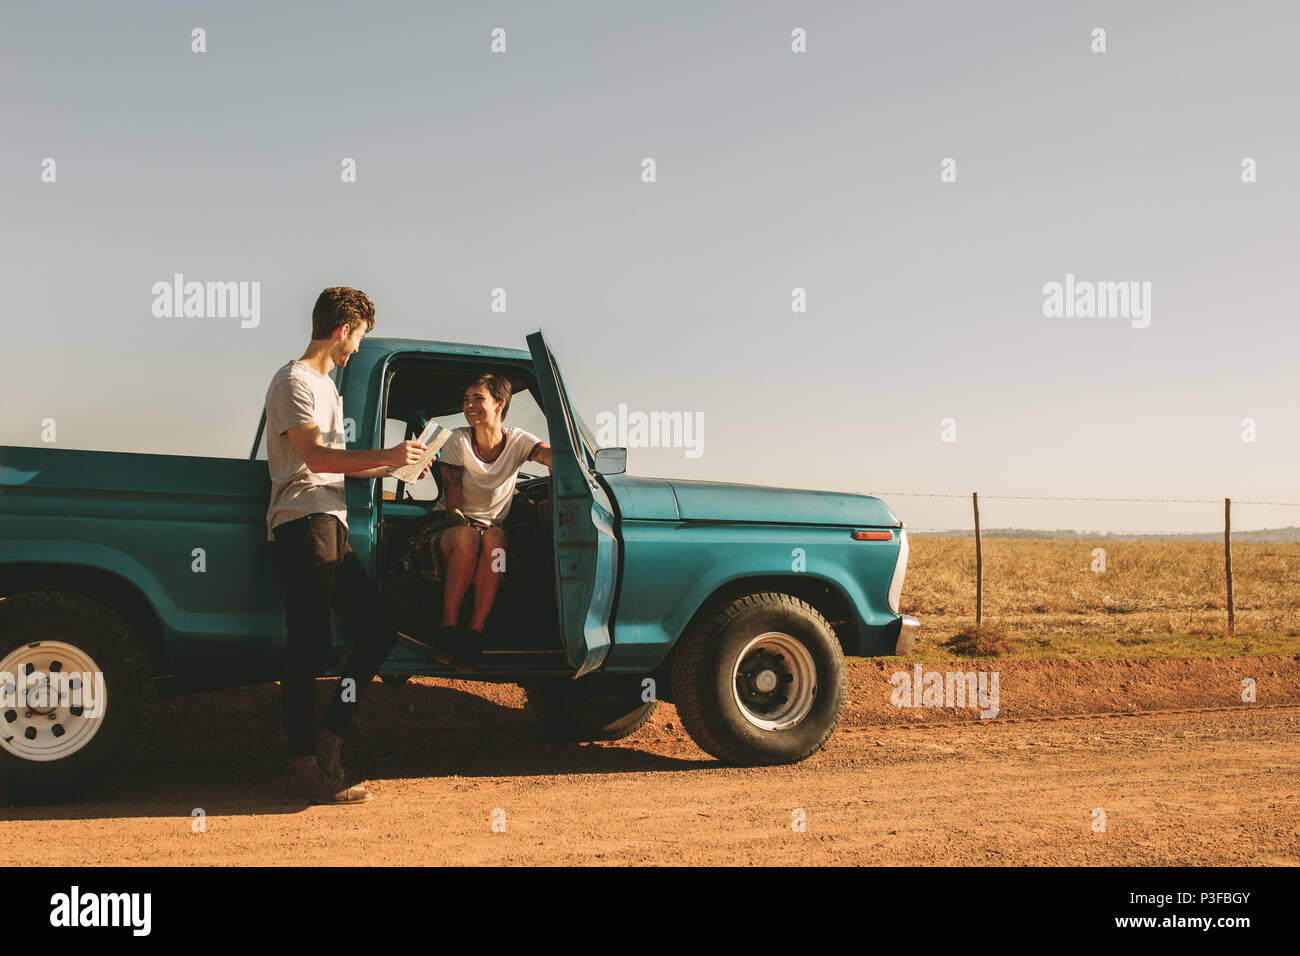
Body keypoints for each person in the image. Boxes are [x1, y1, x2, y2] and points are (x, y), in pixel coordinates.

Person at [264, 286, 428, 805]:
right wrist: (385, 452)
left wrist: (398, 465)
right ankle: (301, 765)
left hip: (331, 518)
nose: (357, 349)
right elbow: (315, 456)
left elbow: (339, 460)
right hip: (302, 517)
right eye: (358, 338)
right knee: (308, 641)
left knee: (377, 631)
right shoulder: (294, 381)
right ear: (342, 330)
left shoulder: (328, 389)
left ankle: (330, 738)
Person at [424, 374, 551, 672]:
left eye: (477, 399)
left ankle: (475, 633)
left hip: (492, 531)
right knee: (471, 538)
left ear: (499, 404)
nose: (469, 405)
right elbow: (453, 502)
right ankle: (448, 626)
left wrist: (571, 459)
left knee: (497, 543)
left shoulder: (519, 440)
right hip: (451, 527)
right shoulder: (457, 440)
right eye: (466, 400)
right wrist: (469, 526)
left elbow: (548, 456)